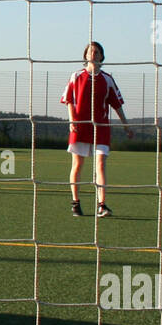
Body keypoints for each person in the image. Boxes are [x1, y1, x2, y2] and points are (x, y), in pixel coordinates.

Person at [61, 41, 133, 218]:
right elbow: (69, 99)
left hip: (100, 128)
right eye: (90, 51)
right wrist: (72, 121)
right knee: (77, 164)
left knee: (100, 164)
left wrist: (126, 126)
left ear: (102, 56)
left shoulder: (107, 79)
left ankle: (102, 205)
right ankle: (76, 203)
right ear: (85, 55)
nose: (93, 54)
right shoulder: (76, 76)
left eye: (97, 52)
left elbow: (117, 104)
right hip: (80, 127)